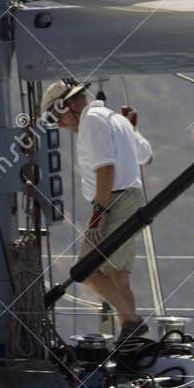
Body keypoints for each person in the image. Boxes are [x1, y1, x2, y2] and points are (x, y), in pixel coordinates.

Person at [46, 78, 149, 342]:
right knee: (117, 276)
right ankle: (130, 337)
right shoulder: (114, 118)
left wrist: (98, 214)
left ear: (67, 105)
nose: (58, 124)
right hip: (128, 199)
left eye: (55, 116)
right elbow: (146, 156)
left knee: (85, 270)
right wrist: (131, 131)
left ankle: (133, 322)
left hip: (114, 202)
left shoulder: (91, 119)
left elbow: (105, 168)